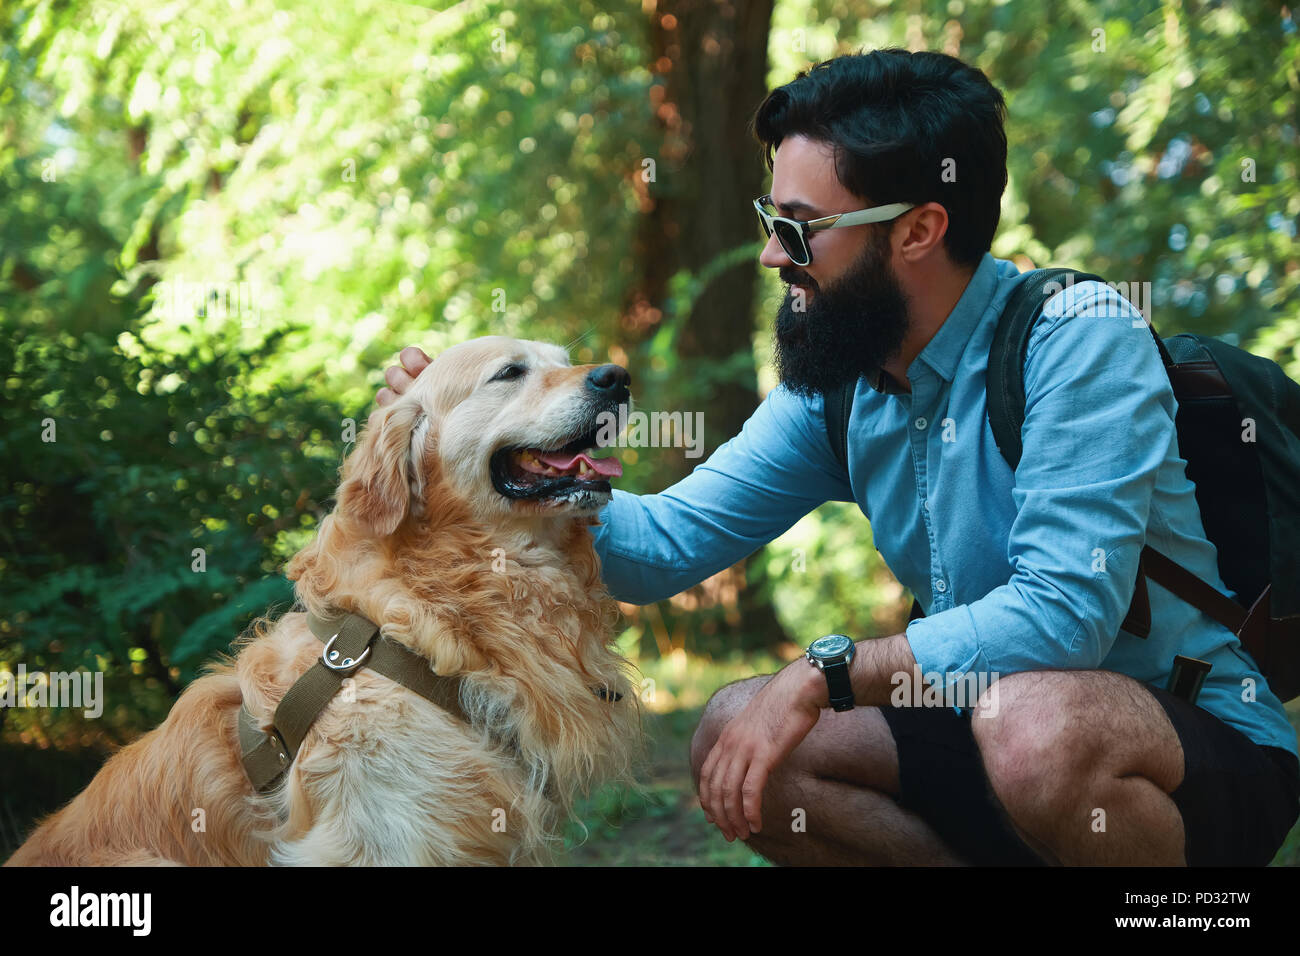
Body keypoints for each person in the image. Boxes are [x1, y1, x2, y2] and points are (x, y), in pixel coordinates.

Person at [377, 48, 1300, 866]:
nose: (774, 260)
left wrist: (822, 674)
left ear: (917, 230)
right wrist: (480, 461)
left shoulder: (1078, 341)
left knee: (1036, 724)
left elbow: (1063, 617)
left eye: (798, 228)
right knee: (741, 733)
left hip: (1185, 746)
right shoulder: (843, 384)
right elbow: (657, 548)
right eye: (768, 219)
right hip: (985, 732)